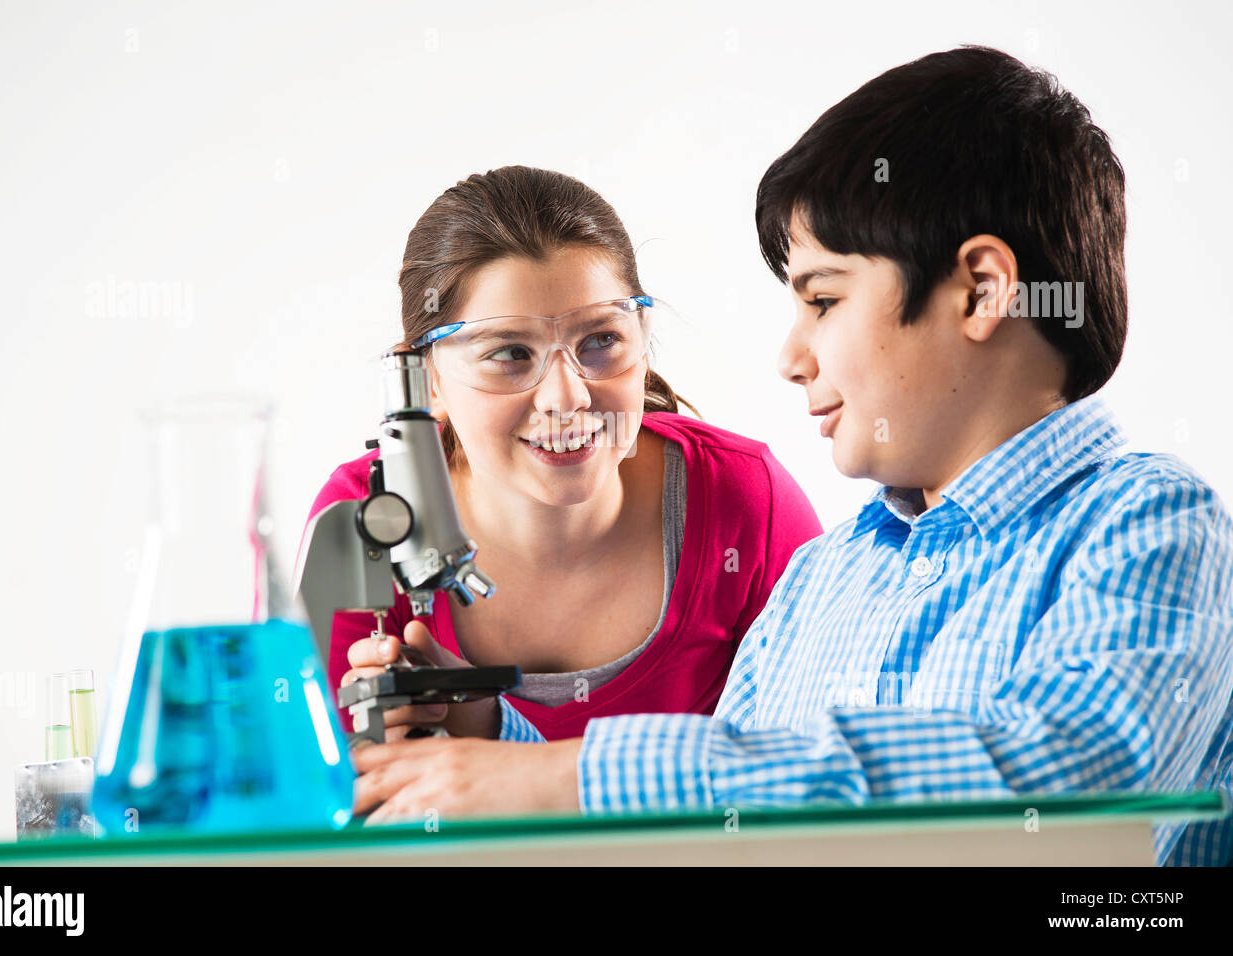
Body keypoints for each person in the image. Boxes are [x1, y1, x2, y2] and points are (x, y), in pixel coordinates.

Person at [348, 47, 1233, 868]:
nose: (790, 356)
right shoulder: (822, 580)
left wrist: (567, 780)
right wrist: (491, 737)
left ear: (982, 290)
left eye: (823, 299)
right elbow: (714, 842)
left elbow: (1072, 792)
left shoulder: (1148, 525)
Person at [305, 165, 823, 743]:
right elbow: (317, 784)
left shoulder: (747, 503)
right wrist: (369, 748)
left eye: (601, 340)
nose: (567, 397)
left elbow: (803, 782)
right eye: (509, 353)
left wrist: (489, 741)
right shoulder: (365, 517)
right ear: (424, 380)